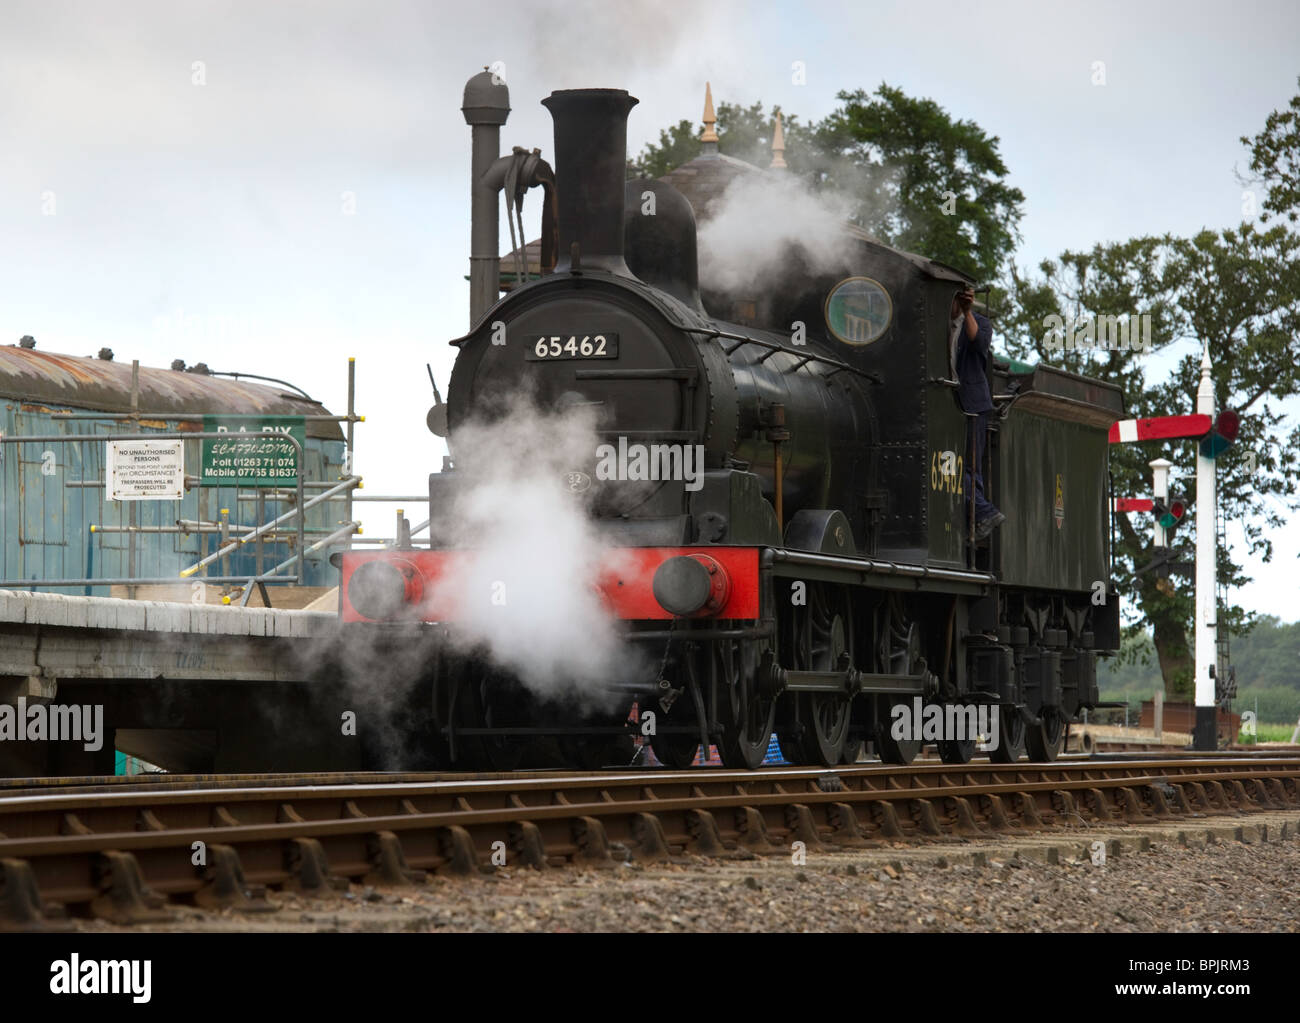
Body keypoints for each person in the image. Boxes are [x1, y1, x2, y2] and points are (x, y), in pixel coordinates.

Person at [951, 286, 1005, 541]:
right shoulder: (937, 324)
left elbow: (979, 343)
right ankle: (980, 512)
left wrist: (967, 311)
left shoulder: (980, 323)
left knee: (970, 467)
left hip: (973, 403)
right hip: (951, 401)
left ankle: (983, 513)